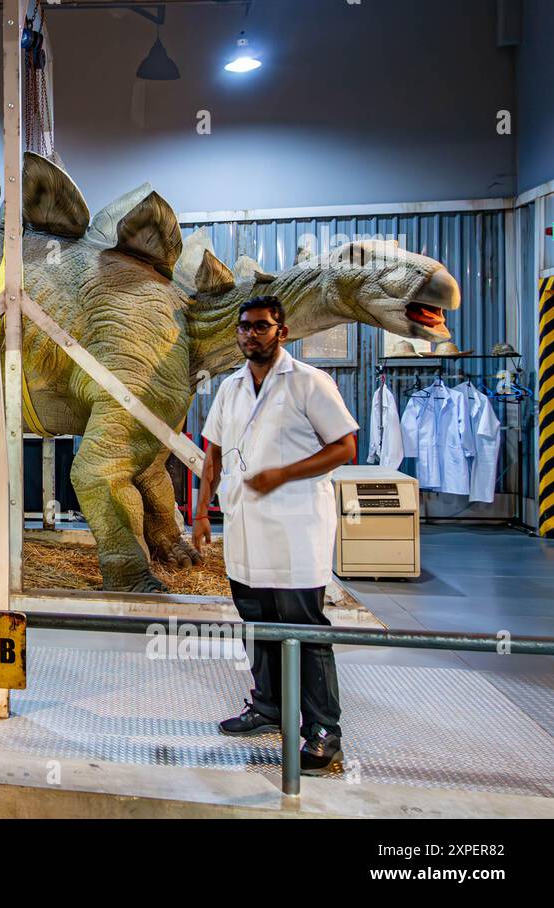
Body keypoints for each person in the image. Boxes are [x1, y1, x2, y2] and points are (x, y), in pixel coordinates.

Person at [192, 295, 358, 775]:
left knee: (303, 629)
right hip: (244, 526)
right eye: (244, 327)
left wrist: (282, 474)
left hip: (295, 528)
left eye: (261, 327)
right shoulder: (230, 388)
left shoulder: (309, 383)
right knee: (256, 622)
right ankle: (268, 707)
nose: (251, 334)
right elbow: (213, 454)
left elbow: (345, 447)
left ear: (282, 332)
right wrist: (202, 514)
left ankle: (324, 731)